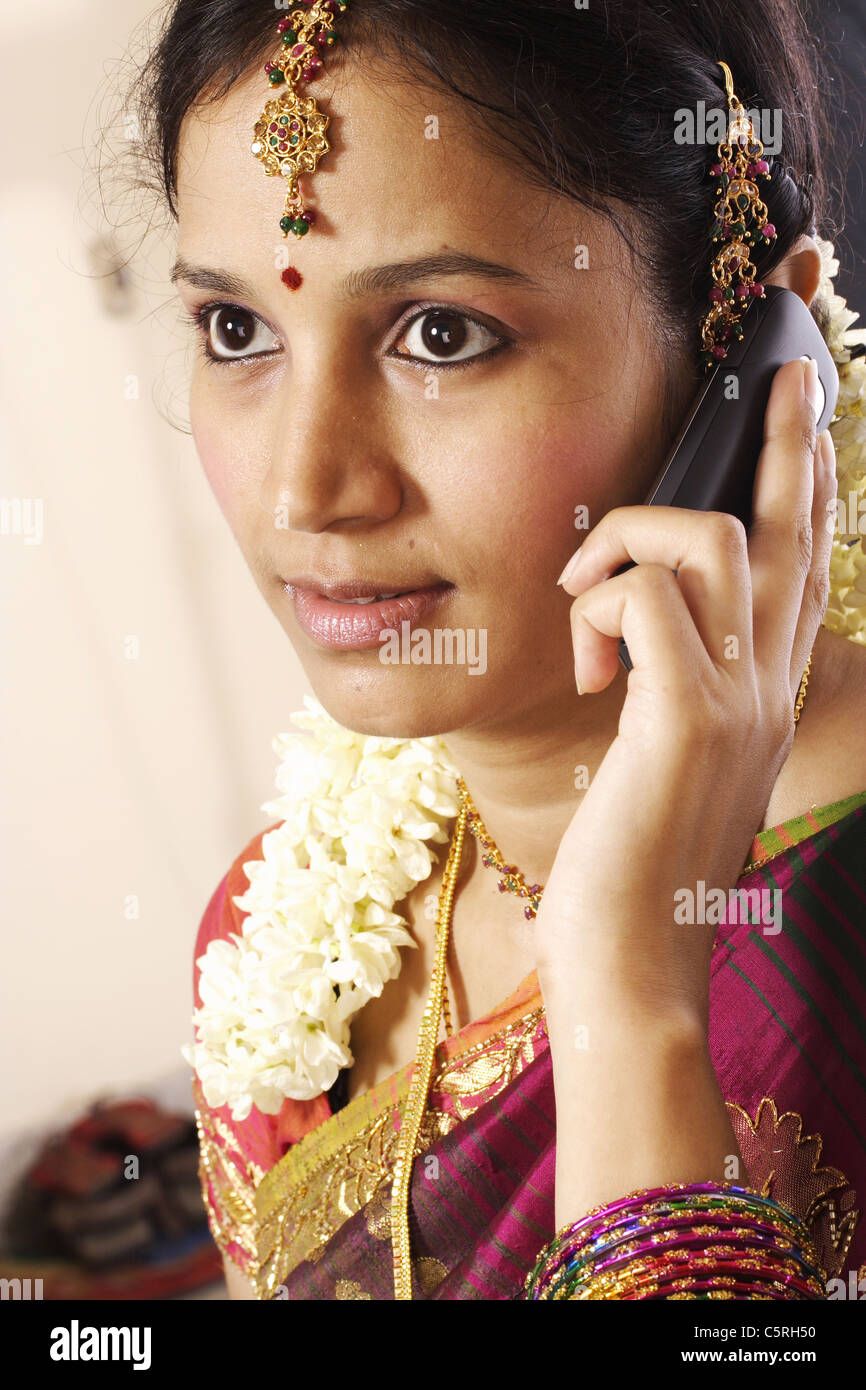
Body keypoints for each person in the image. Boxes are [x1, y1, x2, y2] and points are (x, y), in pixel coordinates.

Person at [131, 0, 866, 1298]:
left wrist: (631, 994)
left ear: (750, 343)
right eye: (236, 332)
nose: (305, 493)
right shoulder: (265, 928)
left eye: (440, 334)